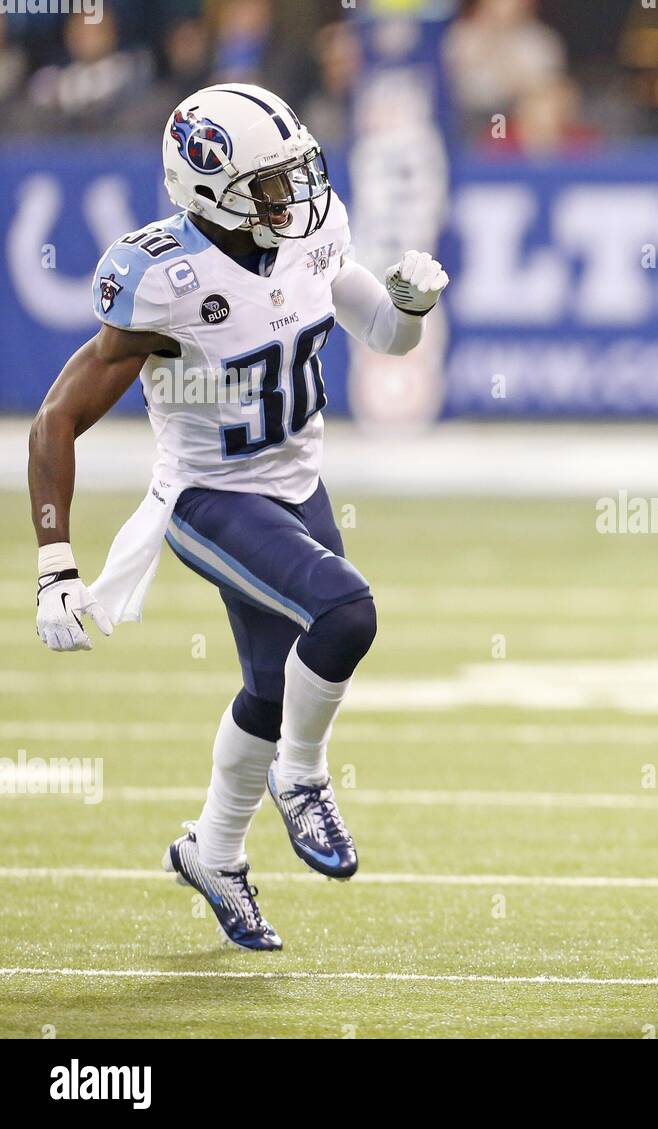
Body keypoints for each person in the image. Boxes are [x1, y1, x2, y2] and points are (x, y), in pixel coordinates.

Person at [28, 83, 449, 951]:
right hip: (207, 494)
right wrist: (54, 565)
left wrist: (408, 307)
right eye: (268, 184)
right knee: (345, 612)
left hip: (298, 481)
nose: (291, 196)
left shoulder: (310, 234)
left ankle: (212, 853)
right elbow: (57, 417)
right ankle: (303, 778)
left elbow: (386, 336)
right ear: (208, 191)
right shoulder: (164, 279)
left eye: (293, 173)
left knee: (269, 688)